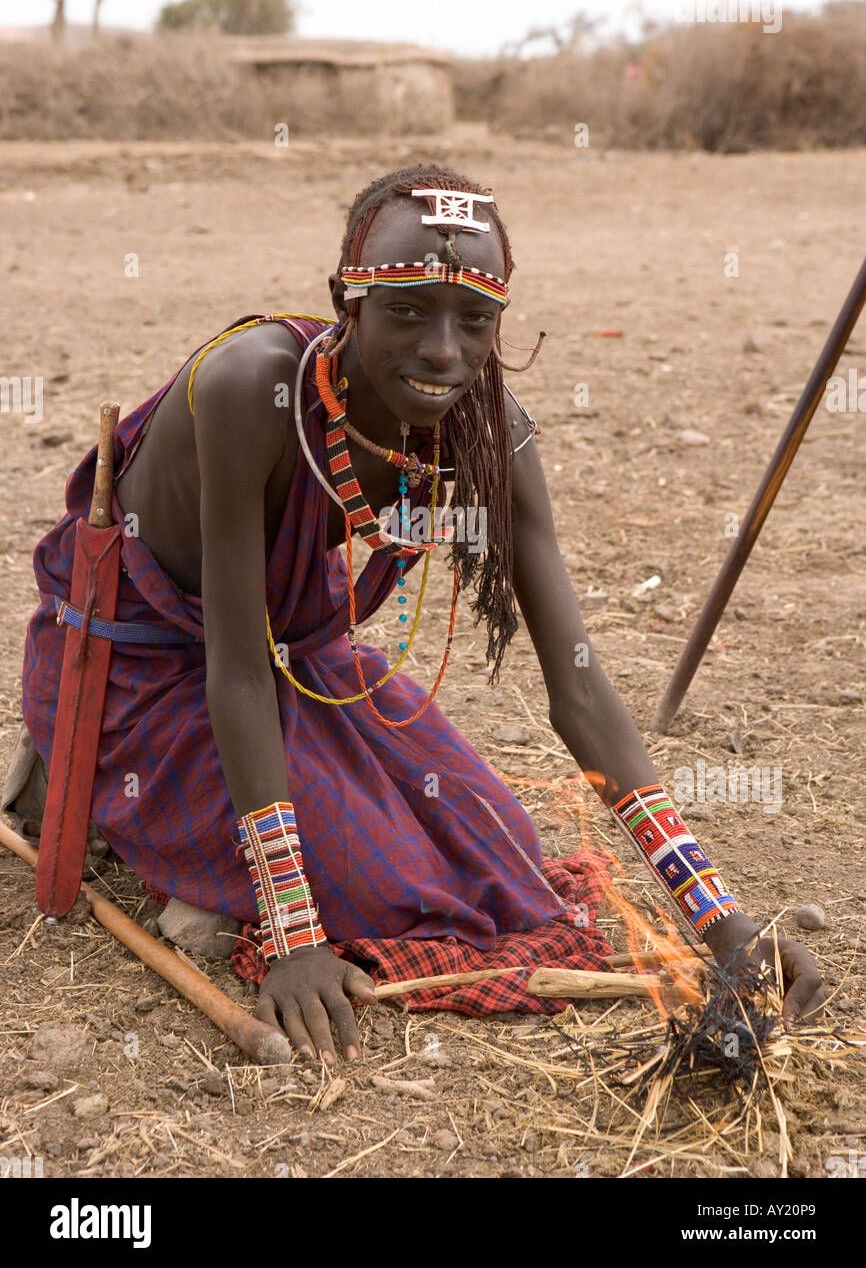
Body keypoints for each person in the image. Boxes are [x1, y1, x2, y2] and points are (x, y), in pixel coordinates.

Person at [20, 165, 824, 1065]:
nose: (444, 351)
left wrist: (723, 922)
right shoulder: (251, 387)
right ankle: (99, 789)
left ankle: (225, 840)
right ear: (346, 305)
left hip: (294, 663)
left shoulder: (490, 430)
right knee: (387, 888)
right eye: (407, 313)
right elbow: (235, 670)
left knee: (501, 865)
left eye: (474, 321)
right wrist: (294, 934)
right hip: (151, 672)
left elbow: (582, 693)